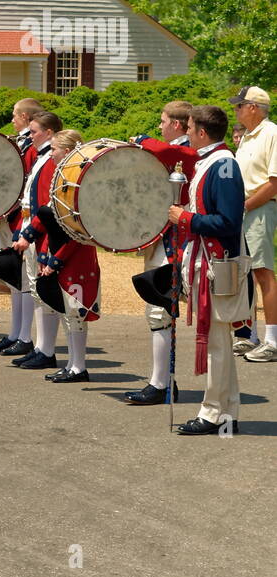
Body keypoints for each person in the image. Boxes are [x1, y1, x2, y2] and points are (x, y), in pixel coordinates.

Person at [164, 106, 247, 434]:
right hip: (207, 260)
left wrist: (185, 219)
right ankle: (227, 411)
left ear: (200, 132)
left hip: (216, 263)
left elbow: (228, 221)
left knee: (216, 342)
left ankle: (213, 413)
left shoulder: (223, 164)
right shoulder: (213, 161)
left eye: (191, 129)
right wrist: (189, 213)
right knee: (220, 343)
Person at [16, 129, 101, 382]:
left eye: (54, 149)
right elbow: (48, 216)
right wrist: (32, 238)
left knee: (75, 313)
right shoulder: (62, 178)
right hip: (59, 250)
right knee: (66, 311)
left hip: (77, 255)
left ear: (67, 151)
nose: (50, 153)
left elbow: (78, 233)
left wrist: (57, 260)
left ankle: (79, 366)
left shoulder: (81, 183)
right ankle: (72, 364)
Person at [123, 102, 193, 405]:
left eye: (163, 121)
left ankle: (162, 384)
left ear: (176, 125)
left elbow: (163, 152)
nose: (160, 127)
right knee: (158, 311)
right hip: (165, 236)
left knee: (160, 310)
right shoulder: (179, 149)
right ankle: (162, 380)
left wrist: (139, 140)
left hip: (176, 239)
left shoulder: (185, 150)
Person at [0, 98, 44, 355]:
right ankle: (15, 333)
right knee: (13, 280)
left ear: (26, 118)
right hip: (10, 216)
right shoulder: (22, 142)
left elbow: (20, 182)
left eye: (15, 116)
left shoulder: (30, 146)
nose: (12, 120)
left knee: (23, 280)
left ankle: (24, 336)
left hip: (21, 216)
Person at [5, 110, 64, 370]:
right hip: (30, 223)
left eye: (35, 131)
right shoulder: (41, 156)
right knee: (34, 289)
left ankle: (45, 349)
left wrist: (32, 233)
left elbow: (46, 203)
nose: (30, 135)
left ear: (49, 133)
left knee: (41, 289)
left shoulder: (51, 159)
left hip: (40, 229)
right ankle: (40, 346)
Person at [226, 87, 277, 363]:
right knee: (245, 274)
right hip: (245, 210)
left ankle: (273, 340)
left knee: (262, 273)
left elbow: (274, 183)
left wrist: (243, 206)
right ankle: (251, 336)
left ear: (254, 107)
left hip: (259, 208)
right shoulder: (247, 136)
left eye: (239, 106)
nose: (236, 110)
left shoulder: (272, 133)